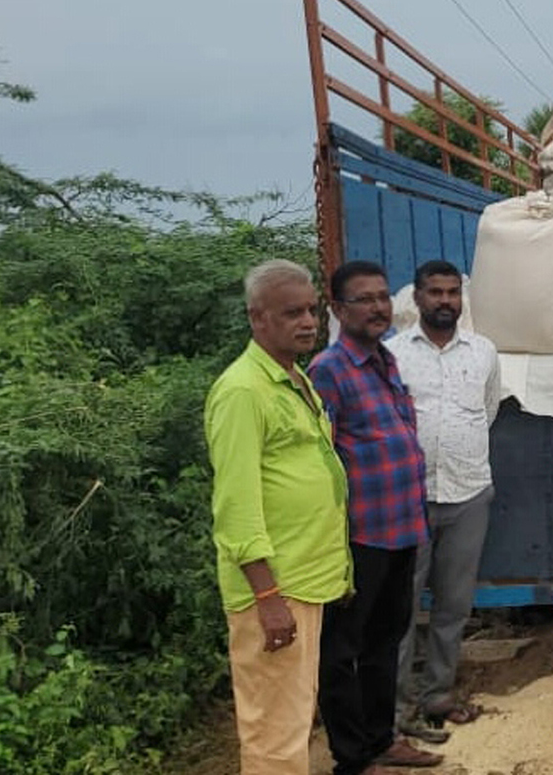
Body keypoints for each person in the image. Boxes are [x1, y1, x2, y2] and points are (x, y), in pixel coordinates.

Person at [204, 259, 351, 775]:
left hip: (306, 581)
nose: (308, 321)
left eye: (311, 310)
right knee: (273, 731)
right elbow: (235, 506)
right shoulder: (243, 391)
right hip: (276, 588)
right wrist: (267, 597)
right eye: (292, 313)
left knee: (292, 720)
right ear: (257, 318)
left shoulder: (294, 378)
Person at [307, 261, 442, 773]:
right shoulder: (329, 370)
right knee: (343, 650)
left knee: (386, 640)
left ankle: (382, 739)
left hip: (402, 529)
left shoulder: (385, 360)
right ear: (338, 310)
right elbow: (319, 456)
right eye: (364, 299)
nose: (378, 307)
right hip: (360, 535)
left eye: (383, 297)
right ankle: (351, 756)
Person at [388, 260, 501, 734]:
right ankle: (395, 713)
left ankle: (437, 696)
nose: (445, 301)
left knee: (454, 606)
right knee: (399, 611)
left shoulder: (483, 352)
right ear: (416, 298)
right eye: (435, 292)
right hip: (409, 499)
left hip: (469, 492)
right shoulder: (392, 354)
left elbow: (489, 409)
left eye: (453, 292)